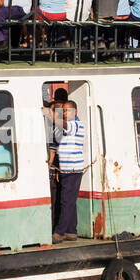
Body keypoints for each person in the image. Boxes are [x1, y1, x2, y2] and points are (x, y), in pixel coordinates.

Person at [52, 100, 85, 242]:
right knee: (70, 200)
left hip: (73, 169)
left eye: (68, 110)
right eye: (63, 111)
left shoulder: (77, 124)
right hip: (66, 169)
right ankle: (71, 231)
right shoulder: (65, 127)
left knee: (66, 201)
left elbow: (64, 125)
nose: (65, 113)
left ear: (75, 112)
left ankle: (59, 232)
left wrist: (50, 114)